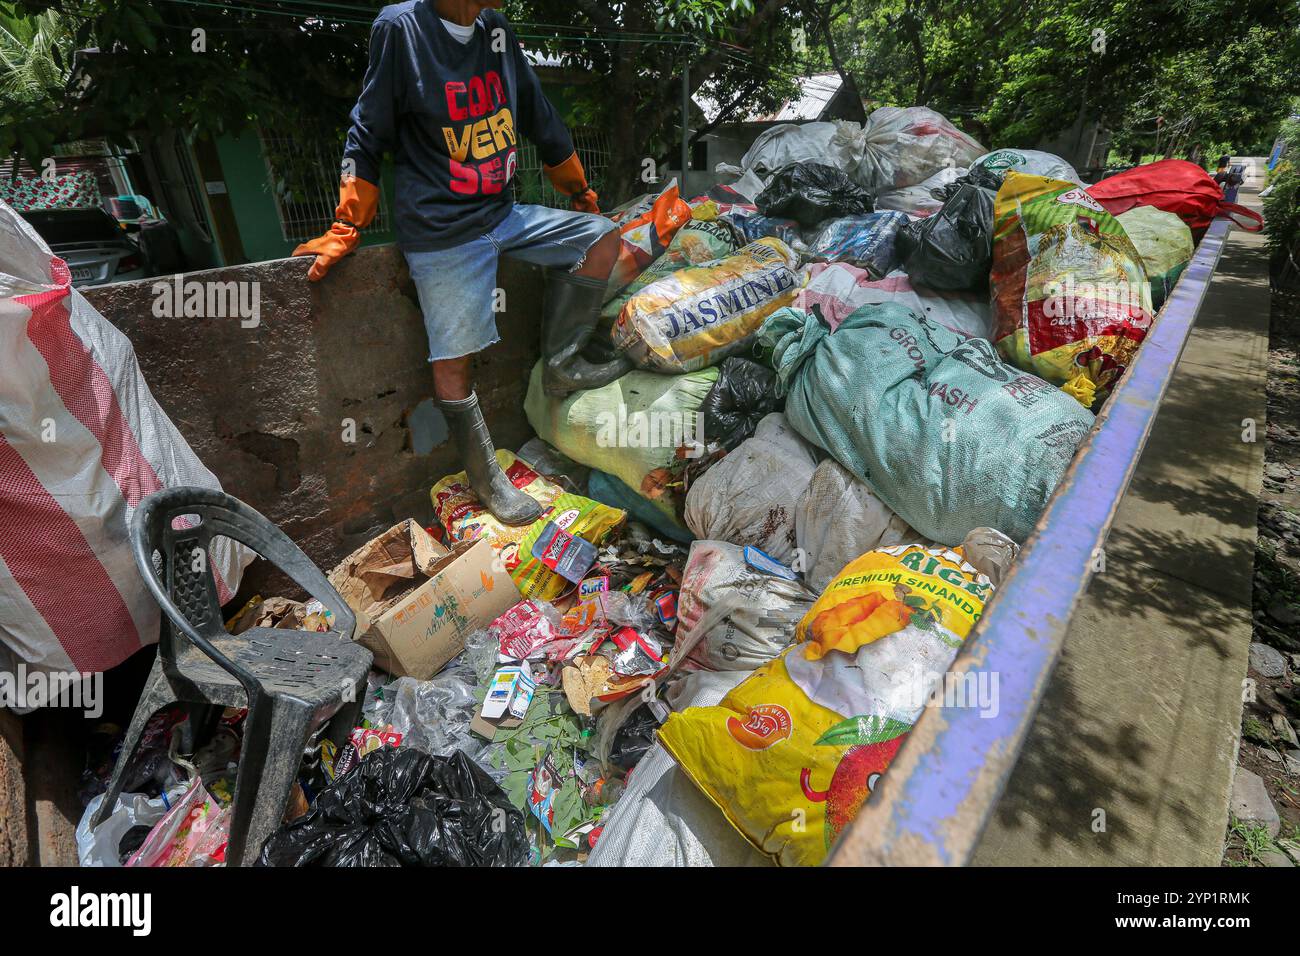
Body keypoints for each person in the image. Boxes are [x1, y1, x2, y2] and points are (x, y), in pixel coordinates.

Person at [293, 0, 630, 524]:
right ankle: (487, 479)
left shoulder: (494, 29)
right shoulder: (402, 30)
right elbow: (369, 127)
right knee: (454, 360)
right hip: (442, 232)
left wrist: (578, 187)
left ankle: (562, 364)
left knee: (601, 238)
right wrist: (347, 223)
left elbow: (537, 110)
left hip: (503, 212)